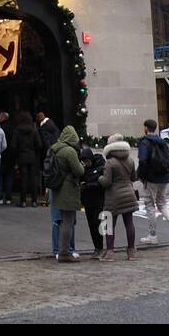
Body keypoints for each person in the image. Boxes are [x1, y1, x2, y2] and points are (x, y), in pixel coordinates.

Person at [45, 125, 84, 263]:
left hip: (55, 187)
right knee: (68, 220)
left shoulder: (53, 148)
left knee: (58, 220)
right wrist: (83, 165)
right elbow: (79, 171)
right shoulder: (69, 151)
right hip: (67, 189)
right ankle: (65, 252)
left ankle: (58, 250)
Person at [100, 134, 140, 261]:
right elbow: (134, 178)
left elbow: (106, 182)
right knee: (129, 223)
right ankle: (131, 251)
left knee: (109, 224)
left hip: (114, 197)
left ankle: (110, 252)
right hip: (129, 194)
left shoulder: (110, 163)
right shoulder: (130, 160)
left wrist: (99, 178)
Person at [136, 118, 169, 243]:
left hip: (151, 178)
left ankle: (152, 235)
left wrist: (140, 175)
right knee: (162, 204)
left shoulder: (145, 142)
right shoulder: (162, 142)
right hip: (164, 177)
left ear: (146, 128)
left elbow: (142, 160)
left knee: (149, 205)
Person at [79, 144, 107, 260]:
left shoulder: (101, 165)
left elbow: (102, 183)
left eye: (86, 160)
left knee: (98, 224)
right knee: (92, 225)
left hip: (98, 200)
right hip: (87, 201)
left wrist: (88, 185)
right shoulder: (84, 168)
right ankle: (97, 248)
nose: (86, 163)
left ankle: (101, 247)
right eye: (84, 161)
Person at [11, 112, 41, 206]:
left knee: (23, 178)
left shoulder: (17, 131)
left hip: (22, 156)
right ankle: (34, 201)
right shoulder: (34, 130)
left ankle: (23, 201)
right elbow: (39, 145)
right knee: (33, 179)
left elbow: (13, 145)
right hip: (32, 156)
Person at [36, 110, 60, 207]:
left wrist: (48, 151)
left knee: (49, 176)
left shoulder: (43, 128)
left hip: (50, 154)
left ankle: (49, 199)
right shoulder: (53, 125)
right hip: (56, 151)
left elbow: (45, 143)